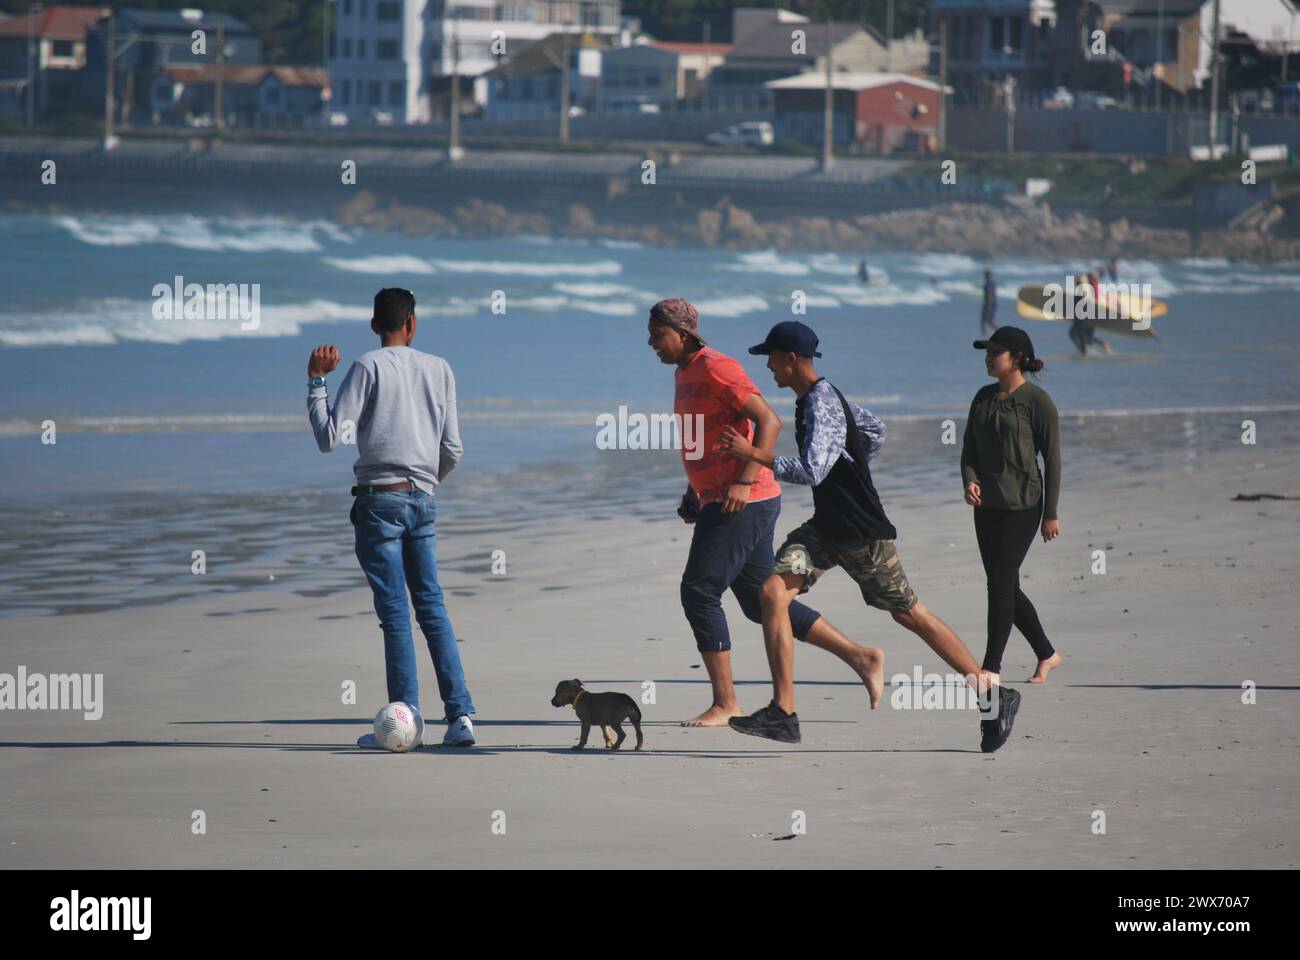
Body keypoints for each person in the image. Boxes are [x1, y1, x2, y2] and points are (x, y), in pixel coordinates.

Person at [718, 321, 1021, 751]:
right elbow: (874, 429)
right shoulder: (816, 400)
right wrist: (854, 465)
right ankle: (783, 713)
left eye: (771, 357)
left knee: (910, 614)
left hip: (863, 537)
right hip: (823, 534)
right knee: (771, 592)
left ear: (791, 359)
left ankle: (992, 694)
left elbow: (810, 471)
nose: (767, 365)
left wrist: (754, 455)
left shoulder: (820, 402)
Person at [307, 287, 476, 749]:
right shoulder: (440, 368)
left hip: (379, 500)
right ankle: (460, 717)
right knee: (433, 608)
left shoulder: (367, 366)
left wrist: (317, 381)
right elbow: (453, 448)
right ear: (413, 322)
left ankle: (408, 722)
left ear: (374, 325)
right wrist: (425, 482)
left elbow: (329, 439)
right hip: (423, 498)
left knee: (397, 615)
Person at [648, 299, 824, 726]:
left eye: (658, 334)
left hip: (743, 499)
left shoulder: (716, 367)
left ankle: (726, 703)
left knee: (699, 591)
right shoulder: (684, 373)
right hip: (725, 498)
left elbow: (769, 421)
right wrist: (694, 493)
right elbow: (700, 440)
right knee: (757, 601)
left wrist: (743, 481)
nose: (651, 342)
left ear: (683, 334)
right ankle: (861, 657)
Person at [961, 326, 1063, 685]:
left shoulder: (1037, 401)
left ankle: (991, 668)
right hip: (986, 505)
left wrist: (1050, 513)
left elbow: (1052, 460)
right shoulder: (983, 397)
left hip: (1024, 505)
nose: (988, 358)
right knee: (1003, 584)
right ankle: (1047, 655)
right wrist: (969, 479)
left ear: (1016, 358)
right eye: (986, 353)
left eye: (995, 353)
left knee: (1000, 584)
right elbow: (969, 448)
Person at [981, 270, 998, 336]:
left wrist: (989, 305)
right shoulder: (992, 282)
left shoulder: (989, 283)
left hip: (990, 303)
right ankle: (984, 335)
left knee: (989, 321)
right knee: (985, 320)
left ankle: (1000, 332)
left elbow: (989, 294)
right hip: (990, 303)